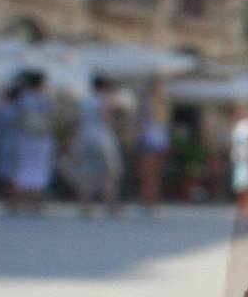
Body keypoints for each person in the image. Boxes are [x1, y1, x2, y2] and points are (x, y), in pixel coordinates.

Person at [70, 75, 124, 216]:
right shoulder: (104, 100)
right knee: (110, 174)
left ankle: (84, 205)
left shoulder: (84, 101)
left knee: (87, 173)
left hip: (85, 138)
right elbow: (105, 118)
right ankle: (111, 205)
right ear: (104, 87)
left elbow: (76, 121)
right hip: (102, 139)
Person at [9, 72, 57, 213]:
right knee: (29, 170)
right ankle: (21, 203)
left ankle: (32, 202)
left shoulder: (37, 98)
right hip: (31, 138)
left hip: (37, 139)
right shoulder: (30, 99)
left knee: (35, 170)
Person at [135, 82, 170, 211]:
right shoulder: (162, 105)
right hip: (157, 142)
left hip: (148, 141)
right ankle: (152, 201)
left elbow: (141, 124)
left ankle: (148, 201)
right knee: (153, 175)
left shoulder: (147, 104)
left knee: (147, 175)